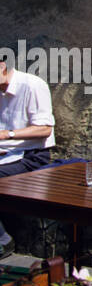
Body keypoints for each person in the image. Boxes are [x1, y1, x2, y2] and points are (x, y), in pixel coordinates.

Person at [0, 57, 56, 251]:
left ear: (2, 67)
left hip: (32, 156)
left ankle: (3, 240)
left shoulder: (32, 86)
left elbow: (44, 130)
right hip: (5, 153)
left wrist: (8, 135)